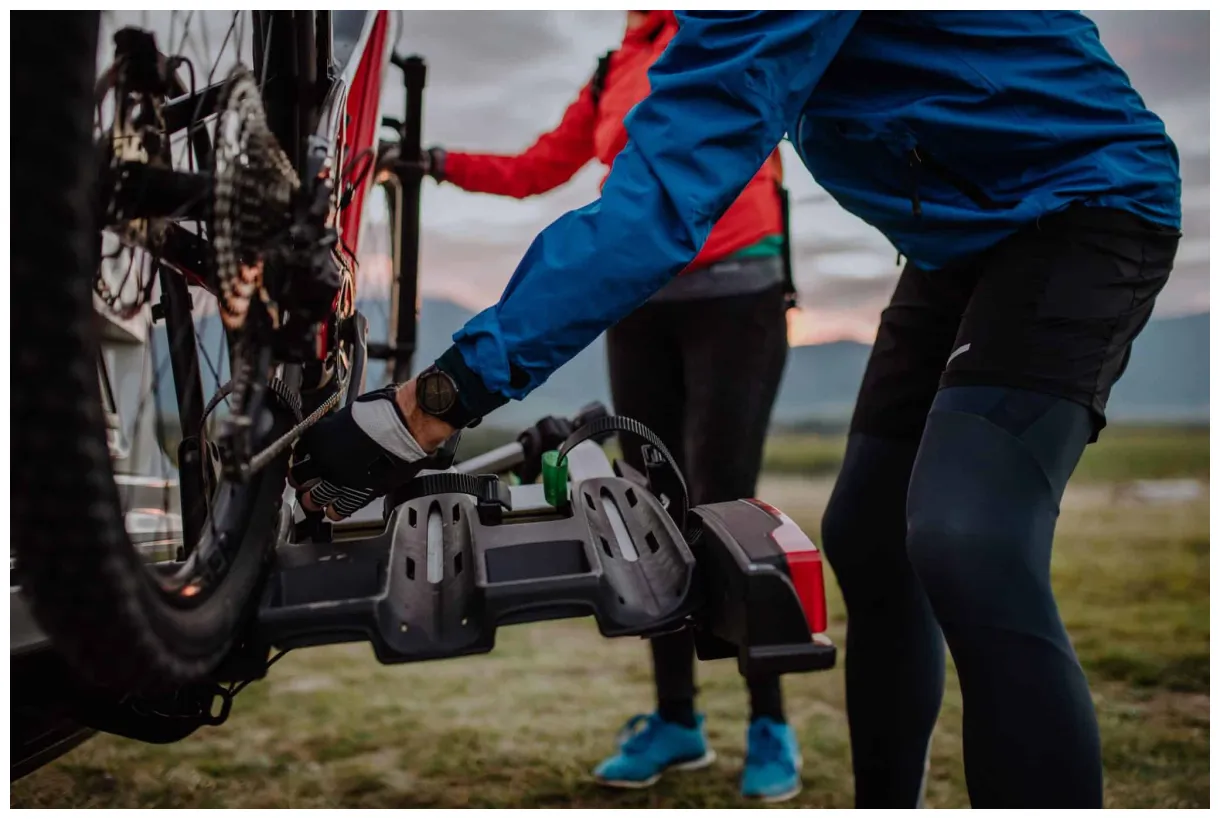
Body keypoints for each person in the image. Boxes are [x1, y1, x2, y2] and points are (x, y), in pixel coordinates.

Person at [290, 11, 1181, 808]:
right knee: (871, 537)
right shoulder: (635, 52)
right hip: (958, 243)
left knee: (969, 535)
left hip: (1083, 203)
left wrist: (424, 408)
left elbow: (664, 198)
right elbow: (578, 169)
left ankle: (772, 730)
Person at [412, 9, 800, 801]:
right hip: (641, 298)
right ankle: (677, 719)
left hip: (739, 294)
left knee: (726, 506)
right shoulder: (611, 65)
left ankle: (770, 720)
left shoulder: (740, 24)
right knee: (650, 505)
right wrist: (436, 160)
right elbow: (535, 169)